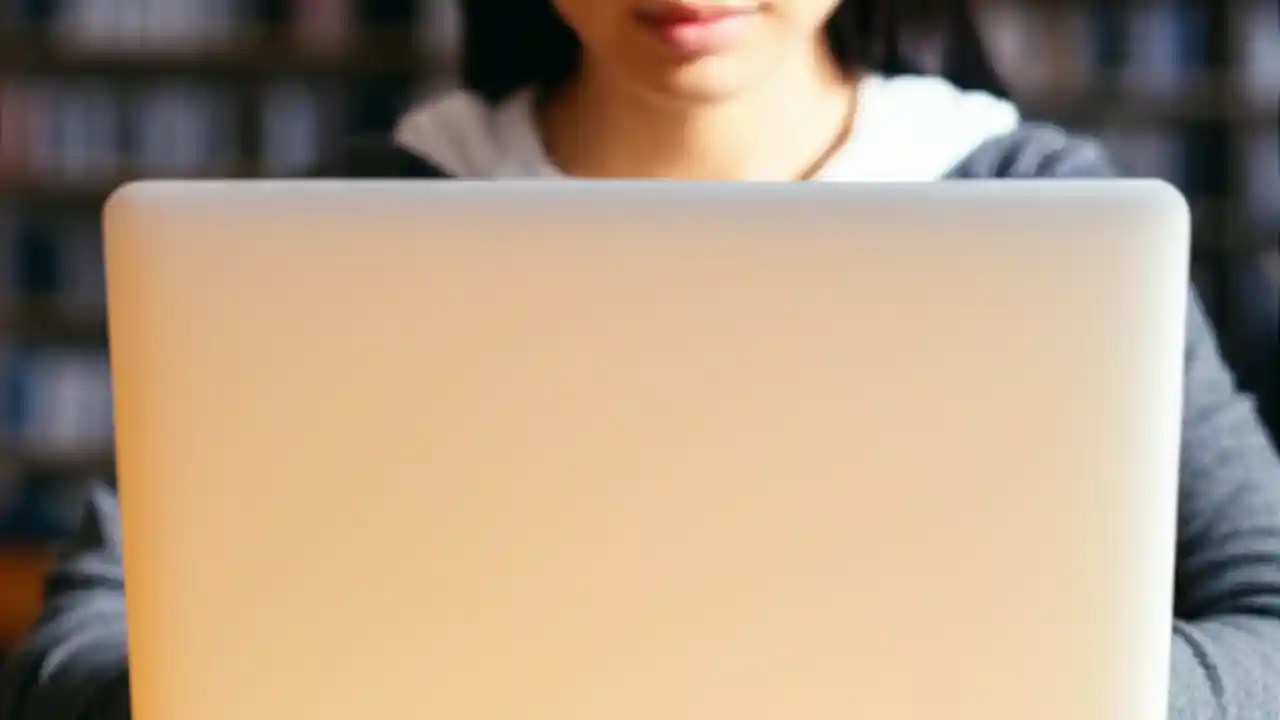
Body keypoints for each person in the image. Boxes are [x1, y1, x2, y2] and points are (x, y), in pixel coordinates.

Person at [3, 1, 1279, 718]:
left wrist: (1028, 691)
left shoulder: (1035, 211)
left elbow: (1267, 626)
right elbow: (77, 651)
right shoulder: (362, 221)